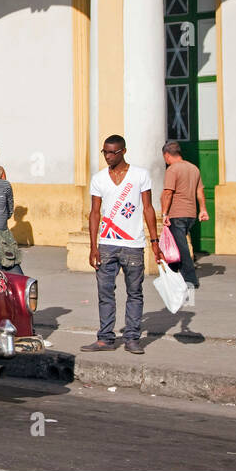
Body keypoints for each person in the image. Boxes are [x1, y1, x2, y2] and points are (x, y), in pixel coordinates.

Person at [83, 136, 161, 355]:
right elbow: (95, 212)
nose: (108, 157)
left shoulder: (140, 175)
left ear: (123, 151)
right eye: (105, 152)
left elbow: (147, 208)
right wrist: (93, 246)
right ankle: (105, 338)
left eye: (112, 153)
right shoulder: (99, 179)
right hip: (106, 245)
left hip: (133, 245)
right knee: (105, 292)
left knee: (134, 292)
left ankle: (132, 338)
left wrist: (155, 242)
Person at [161, 141, 206, 291]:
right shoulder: (194, 168)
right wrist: (203, 210)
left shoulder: (172, 170)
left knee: (181, 247)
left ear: (167, 155)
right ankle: (174, 274)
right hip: (190, 214)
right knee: (177, 245)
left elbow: (168, 192)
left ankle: (190, 279)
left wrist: (164, 213)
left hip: (177, 213)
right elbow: (200, 192)